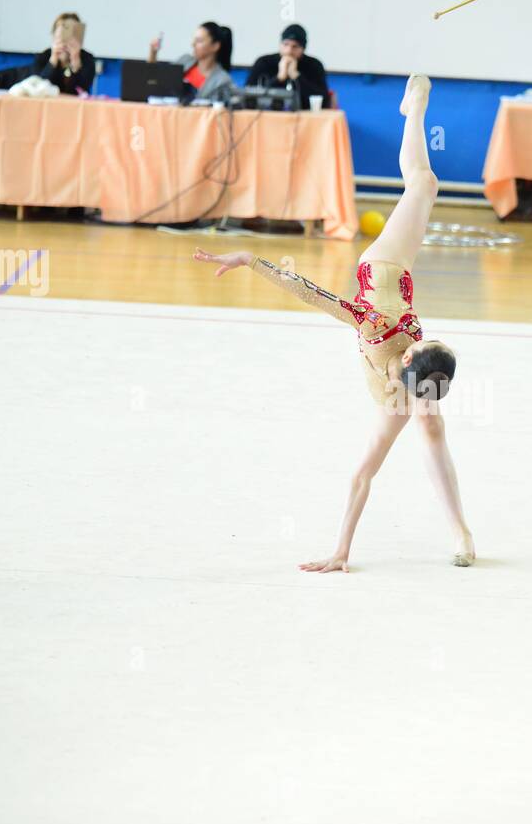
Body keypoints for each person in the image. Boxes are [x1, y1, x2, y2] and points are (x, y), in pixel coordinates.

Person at [193, 76, 474, 572]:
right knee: (426, 183)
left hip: (382, 265)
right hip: (398, 267)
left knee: (432, 432)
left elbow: (307, 291)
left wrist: (250, 260)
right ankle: (413, 110)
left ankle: (461, 533)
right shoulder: (404, 372)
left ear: (412, 360)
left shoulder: (374, 331)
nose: (429, 334)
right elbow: (364, 475)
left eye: (430, 341)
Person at [0, 12, 95, 95]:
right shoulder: (44, 57)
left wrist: (75, 61)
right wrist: (53, 60)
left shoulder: (87, 59)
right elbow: (39, 86)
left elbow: (82, 91)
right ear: (54, 35)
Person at [245, 23, 328, 110]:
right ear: (280, 44)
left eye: (295, 46)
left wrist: (296, 76)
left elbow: (323, 100)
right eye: (286, 44)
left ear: (303, 48)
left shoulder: (314, 65)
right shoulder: (263, 62)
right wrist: (279, 78)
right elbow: (249, 94)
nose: (289, 51)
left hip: (304, 115)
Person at [148, 22, 233, 102]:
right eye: (194, 40)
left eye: (199, 41)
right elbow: (156, 80)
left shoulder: (222, 80)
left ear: (215, 46)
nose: (193, 44)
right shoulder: (185, 61)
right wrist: (153, 53)